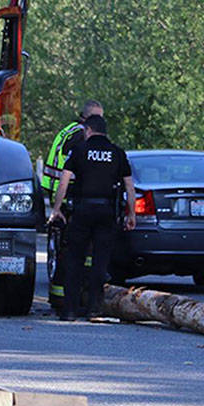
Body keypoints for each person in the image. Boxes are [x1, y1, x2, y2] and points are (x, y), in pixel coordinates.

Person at [47, 114, 134, 320]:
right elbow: (129, 187)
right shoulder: (117, 153)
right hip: (107, 213)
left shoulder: (79, 150)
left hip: (82, 211)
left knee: (74, 260)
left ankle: (69, 310)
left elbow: (64, 181)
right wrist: (132, 214)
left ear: (88, 130)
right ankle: (95, 308)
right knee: (100, 261)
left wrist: (57, 209)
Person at [42, 100, 103, 312]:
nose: (99, 122)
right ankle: (74, 299)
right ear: (87, 119)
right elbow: (74, 170)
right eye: (96, 117)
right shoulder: (80, 137)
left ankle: (60, 297)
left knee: (64, 249)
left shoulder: (67, 130)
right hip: (69, 197)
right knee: (75, 251)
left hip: (58, 194)